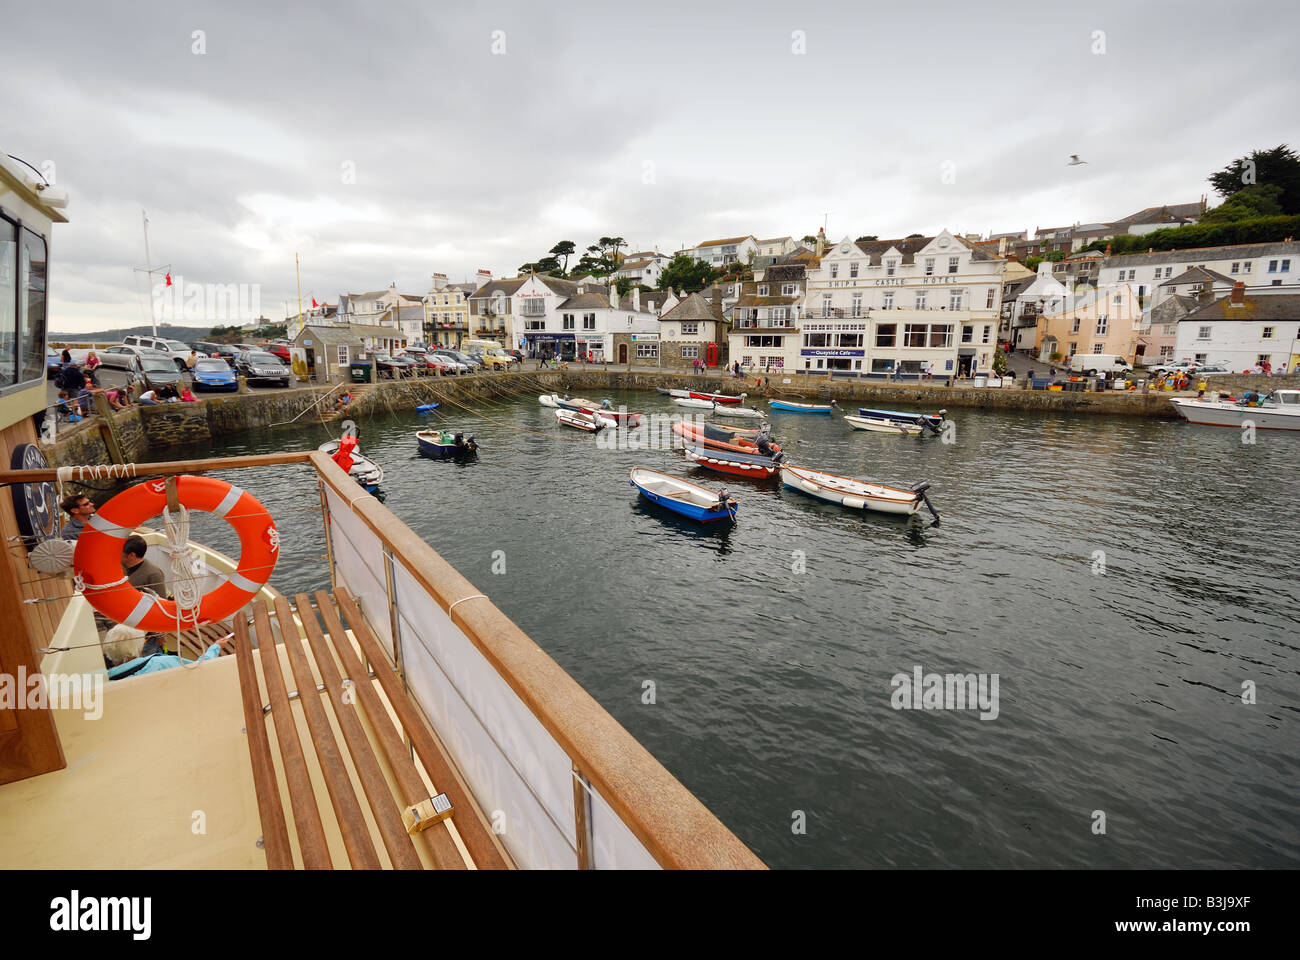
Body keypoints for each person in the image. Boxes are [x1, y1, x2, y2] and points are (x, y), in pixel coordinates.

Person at [103, 624, 221, 680]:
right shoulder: (162, 663)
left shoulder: (104, 681)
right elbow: (197, 668)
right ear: (139, 648)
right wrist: (215, 647)